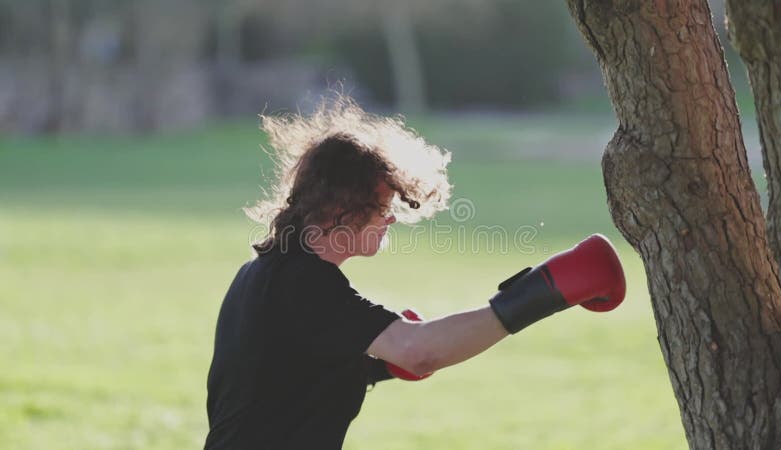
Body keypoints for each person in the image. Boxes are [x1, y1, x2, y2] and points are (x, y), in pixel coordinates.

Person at [204, 96, 626, 450]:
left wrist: (378, 366)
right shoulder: (304, 282)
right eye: (382, 206)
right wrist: (549, 288)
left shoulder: (262, 274)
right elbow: (419, 350)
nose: (390, 220)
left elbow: (290, 379)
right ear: (340, 207)